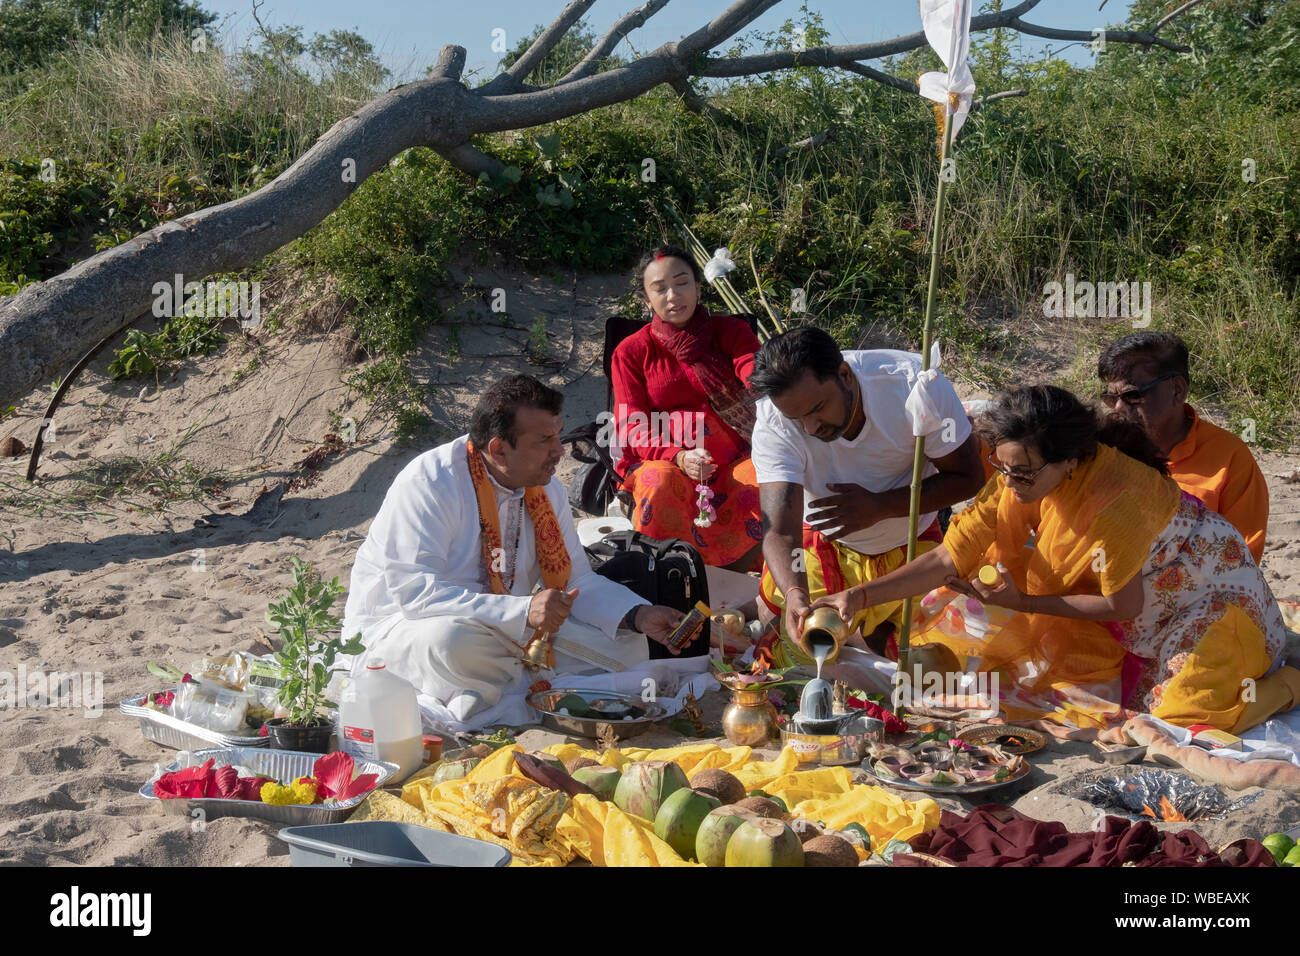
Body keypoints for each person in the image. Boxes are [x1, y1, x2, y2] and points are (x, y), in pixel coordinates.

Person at [812, 385, 1300, 734]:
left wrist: (1024, 601)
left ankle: (1289, 682)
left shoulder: (1115, 501)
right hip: (1138, 603)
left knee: (1181, 718)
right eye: (1000, 467)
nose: (1007, 483)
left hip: (1211, 605)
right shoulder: (1024, 474)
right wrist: (858, 595)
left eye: (1020, 473)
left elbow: (1121, 606)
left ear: (1070, 460)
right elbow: (949, 554)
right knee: (963, 624)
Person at [340, 375, 686, 722]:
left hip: (511, 630)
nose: (559, 450)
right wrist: (521, 612)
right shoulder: (431, 481)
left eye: (557, 433)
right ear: (498, 449)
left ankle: (513, 687)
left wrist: (637, 615)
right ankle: (536, 686)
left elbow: (577, 579)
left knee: (629, 645)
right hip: (407, 628)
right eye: (544, 440)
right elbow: (416, 595)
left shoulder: (546, 489)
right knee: (452, 642)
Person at [748, 326, 986, 667]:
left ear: (844, 375)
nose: (811, 428)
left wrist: (881, 507)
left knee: (947, 658)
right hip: (823, 548)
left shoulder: (913, 387)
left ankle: (875, 631)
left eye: (818, 409)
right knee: (797, 650)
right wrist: (795, 593)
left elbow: (969, 477)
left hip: (911, 548)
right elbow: (781, 530)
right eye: (797, 419)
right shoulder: (773, 420)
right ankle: (864, 630)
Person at [609, 245, 764, 570]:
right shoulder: (631, 352)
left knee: (767, 478)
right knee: (658, 483)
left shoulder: (731, 333)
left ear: (698, 286)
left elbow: (753, 369)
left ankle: (749, 583)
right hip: (669, 461)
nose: (672, 295)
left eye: (681, 283)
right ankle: (668, 575)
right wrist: (678, 455)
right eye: (659, 288)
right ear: (645, 299)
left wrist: (765, 383)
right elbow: (632, 426)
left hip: (734, 460)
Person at [1098, 331, 1269, 563]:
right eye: (1111, 398)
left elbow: (1240, 561)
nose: (1118, 408)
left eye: (1132, 395)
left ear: (1177, 390)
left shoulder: (1229, 459)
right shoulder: (1103, 452)